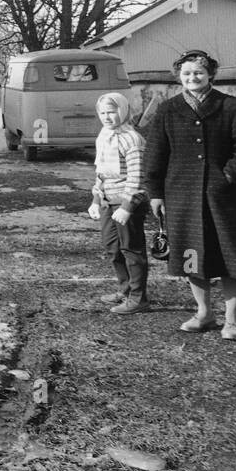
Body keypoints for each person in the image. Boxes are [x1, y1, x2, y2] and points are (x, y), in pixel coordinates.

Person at [144, 50, 236, 340]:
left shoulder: (232, 107)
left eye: (198, 72)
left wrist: (227, 177)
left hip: (226, 198)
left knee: (231, 257)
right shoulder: (168, 109)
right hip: (181, 197)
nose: (193, 78)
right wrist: (155, 193)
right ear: (179, 77)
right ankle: (204, 313)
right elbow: (155, 154)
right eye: (186, 74)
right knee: (191, 256)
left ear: (211, 73)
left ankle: (232, 321)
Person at [87, 93, 149, 316]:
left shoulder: (132, 139)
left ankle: (138, 297)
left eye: (112, 112)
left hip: (126, 204)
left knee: (131, 249)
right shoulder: (105, 135)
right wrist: (96, 198)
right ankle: (124, 289)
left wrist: (127, 206)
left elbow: (137, 177)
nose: (107, 117)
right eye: (102, 113)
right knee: (112, 248)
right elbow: (100, 171)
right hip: (107, 202)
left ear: (122, 111)